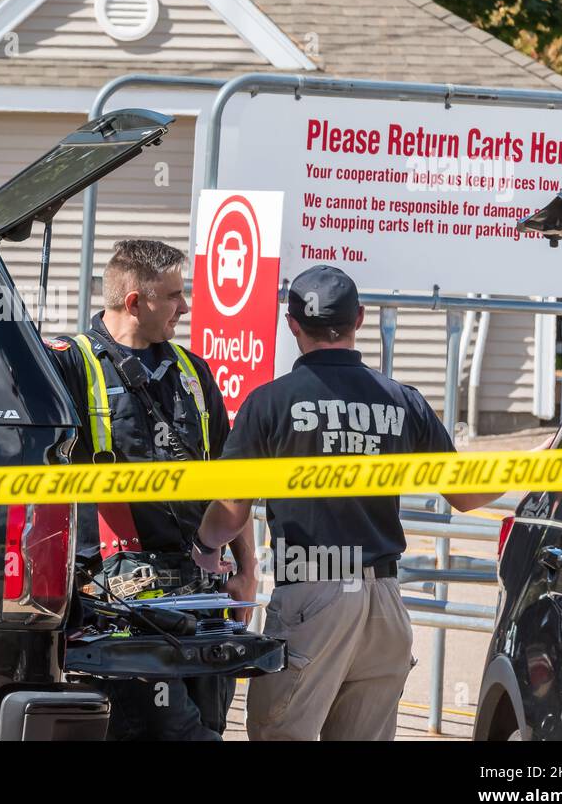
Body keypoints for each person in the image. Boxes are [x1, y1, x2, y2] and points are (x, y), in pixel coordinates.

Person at [190, 265, 504, 741]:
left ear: (293, 323)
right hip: (383, 601)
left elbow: (231, 510)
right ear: (359, 318)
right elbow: (467, 494)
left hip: (311, 594)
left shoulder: (269, 403)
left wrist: (205, 545)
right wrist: (544, 463)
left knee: (281, 733)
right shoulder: (404, 401)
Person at [46, 239, 254, 740]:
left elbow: (232, 479)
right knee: (172, 731)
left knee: (207, 722)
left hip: (201, 592)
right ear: (136, 301)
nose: (183, 308)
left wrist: (246, 572)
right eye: (174, 296)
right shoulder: (69, 365)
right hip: (118, 596)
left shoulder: (192, 371)